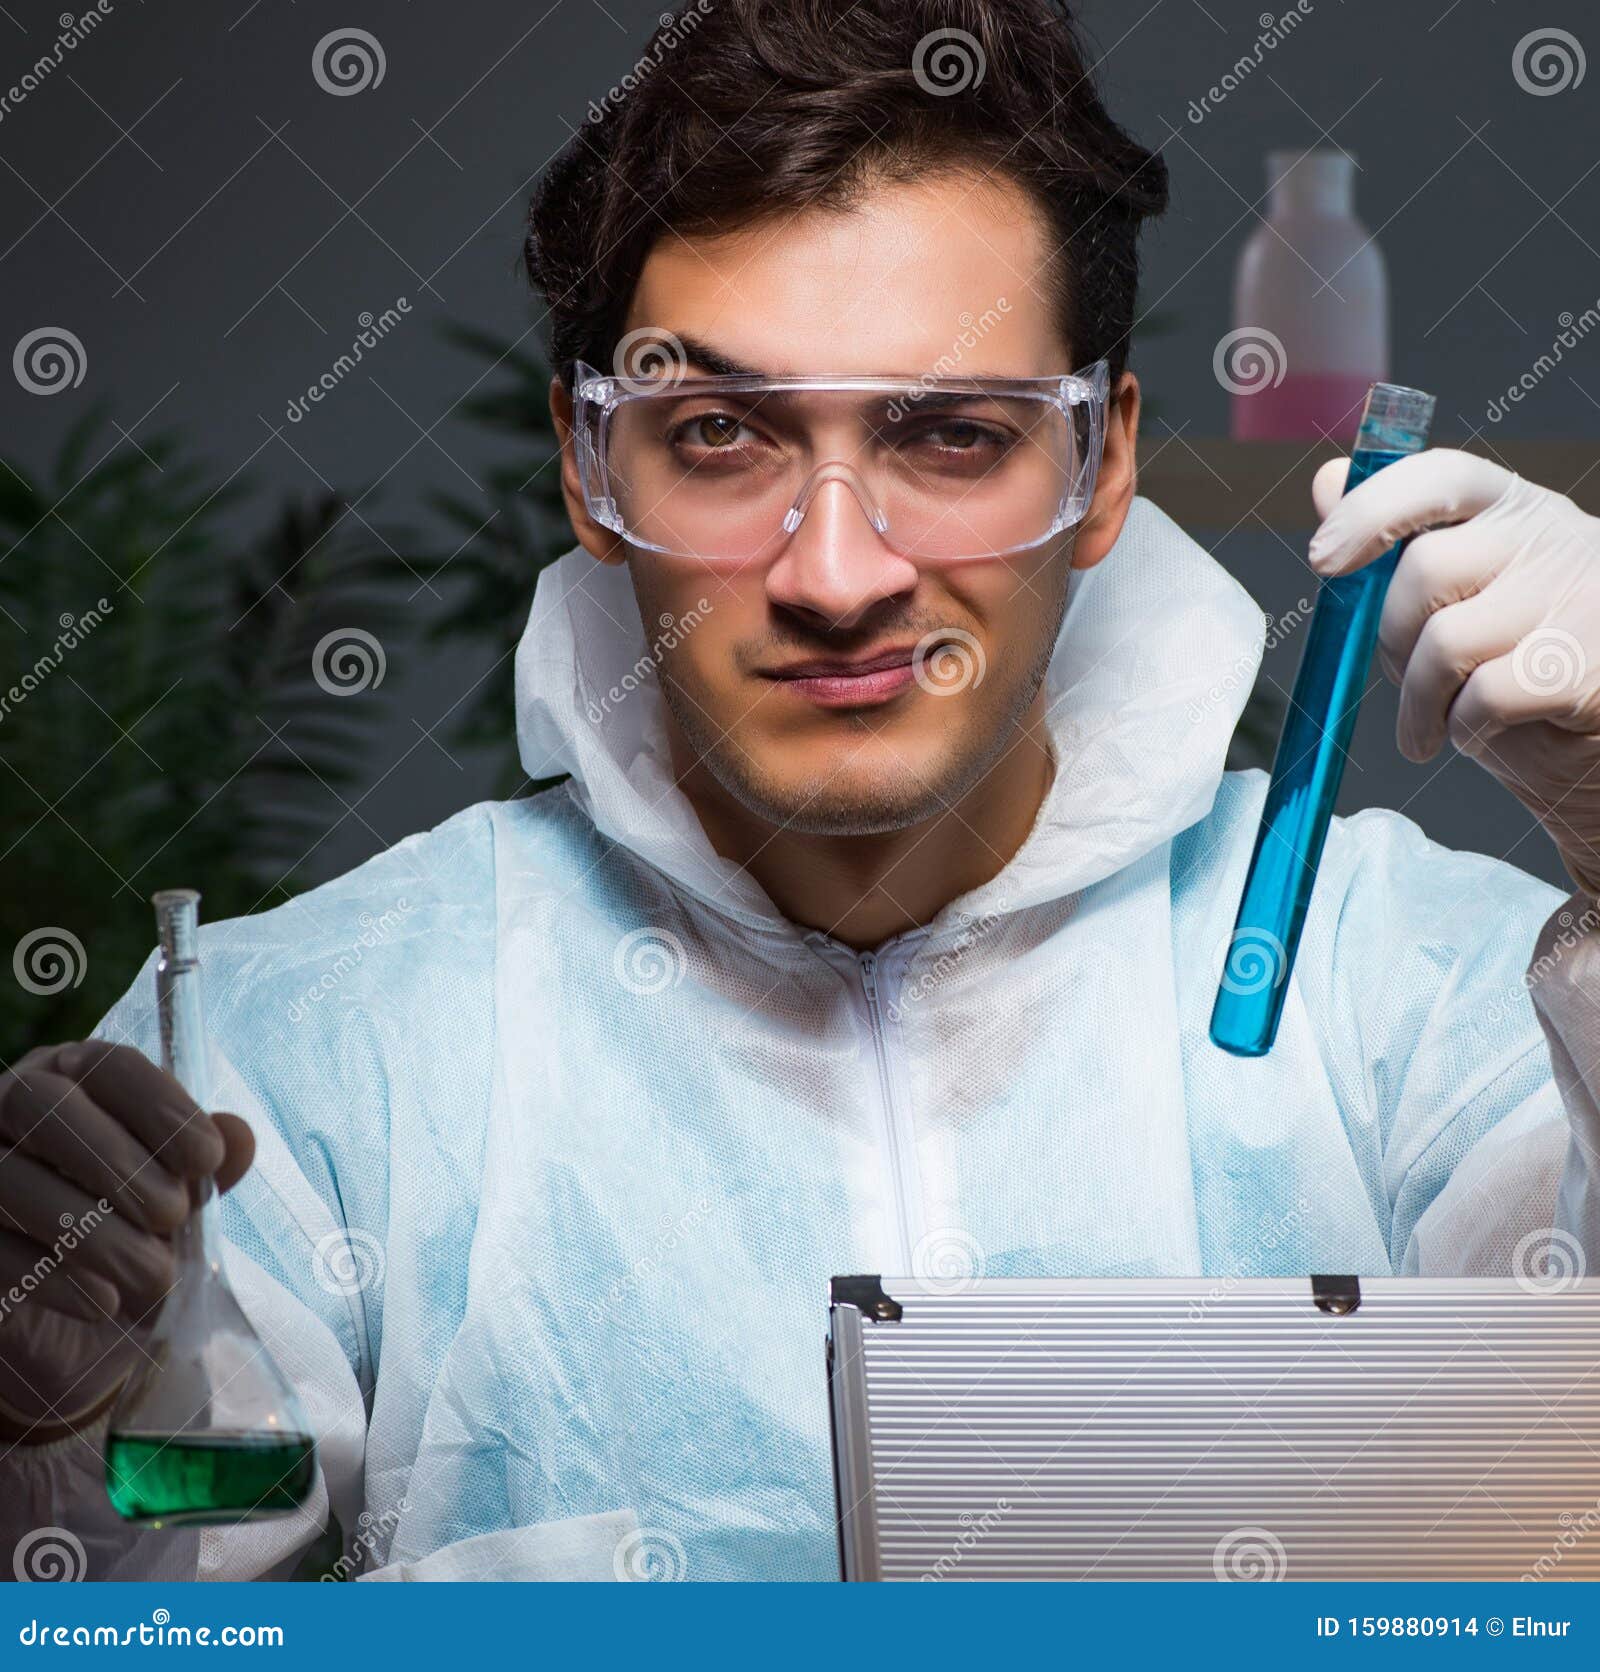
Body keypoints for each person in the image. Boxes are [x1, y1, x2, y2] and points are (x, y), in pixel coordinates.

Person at [3, 0, 1600, 1584]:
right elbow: (161, 1570)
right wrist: (48, 1454)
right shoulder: (299, 1055)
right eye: (718, 435)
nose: (836, 576)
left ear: (1103, 464)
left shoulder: (1413, 991)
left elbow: (1569, 1495)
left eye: (952, 435)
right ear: (587, 467)